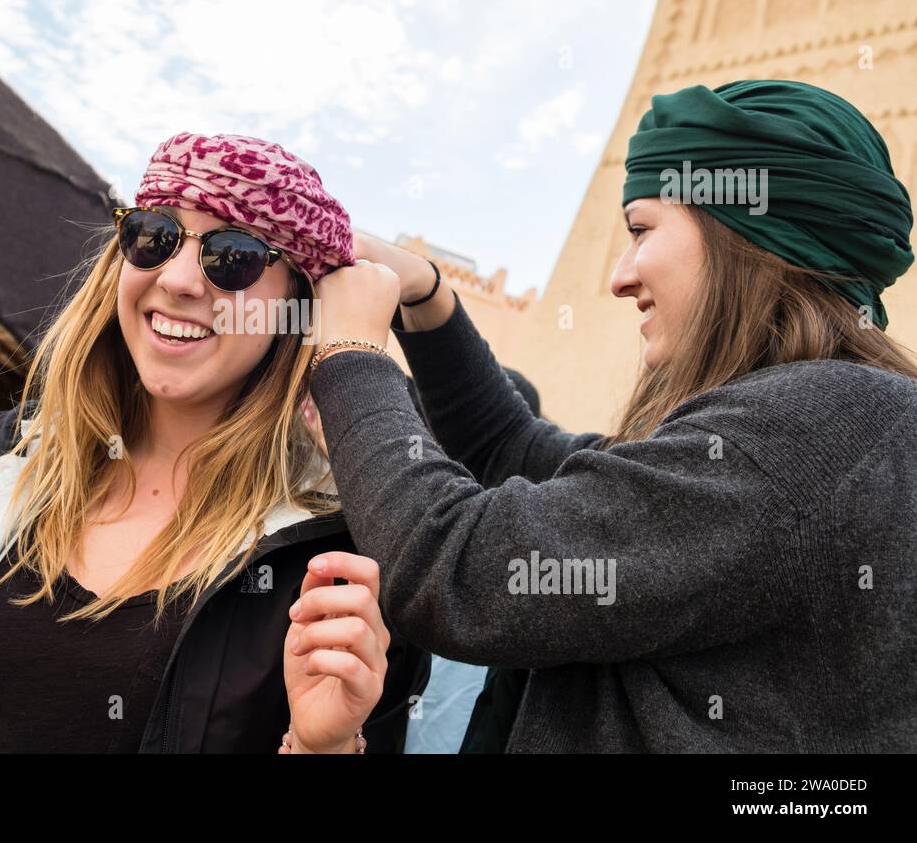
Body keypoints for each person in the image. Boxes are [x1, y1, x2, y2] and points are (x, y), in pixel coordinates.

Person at [303, 80, 917, 751]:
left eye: (641, 230)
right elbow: (514, 449)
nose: (620, 276)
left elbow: (458, 568)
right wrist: (426, 295)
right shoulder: (838, 423)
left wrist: (351, 353)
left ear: (744, 230)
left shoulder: (807, 430)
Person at [0, 131, 429, 754]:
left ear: (295, 306)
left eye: (233, 256)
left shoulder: (339, 556)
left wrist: (323, 745)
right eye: (155, 236)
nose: (177, 279)